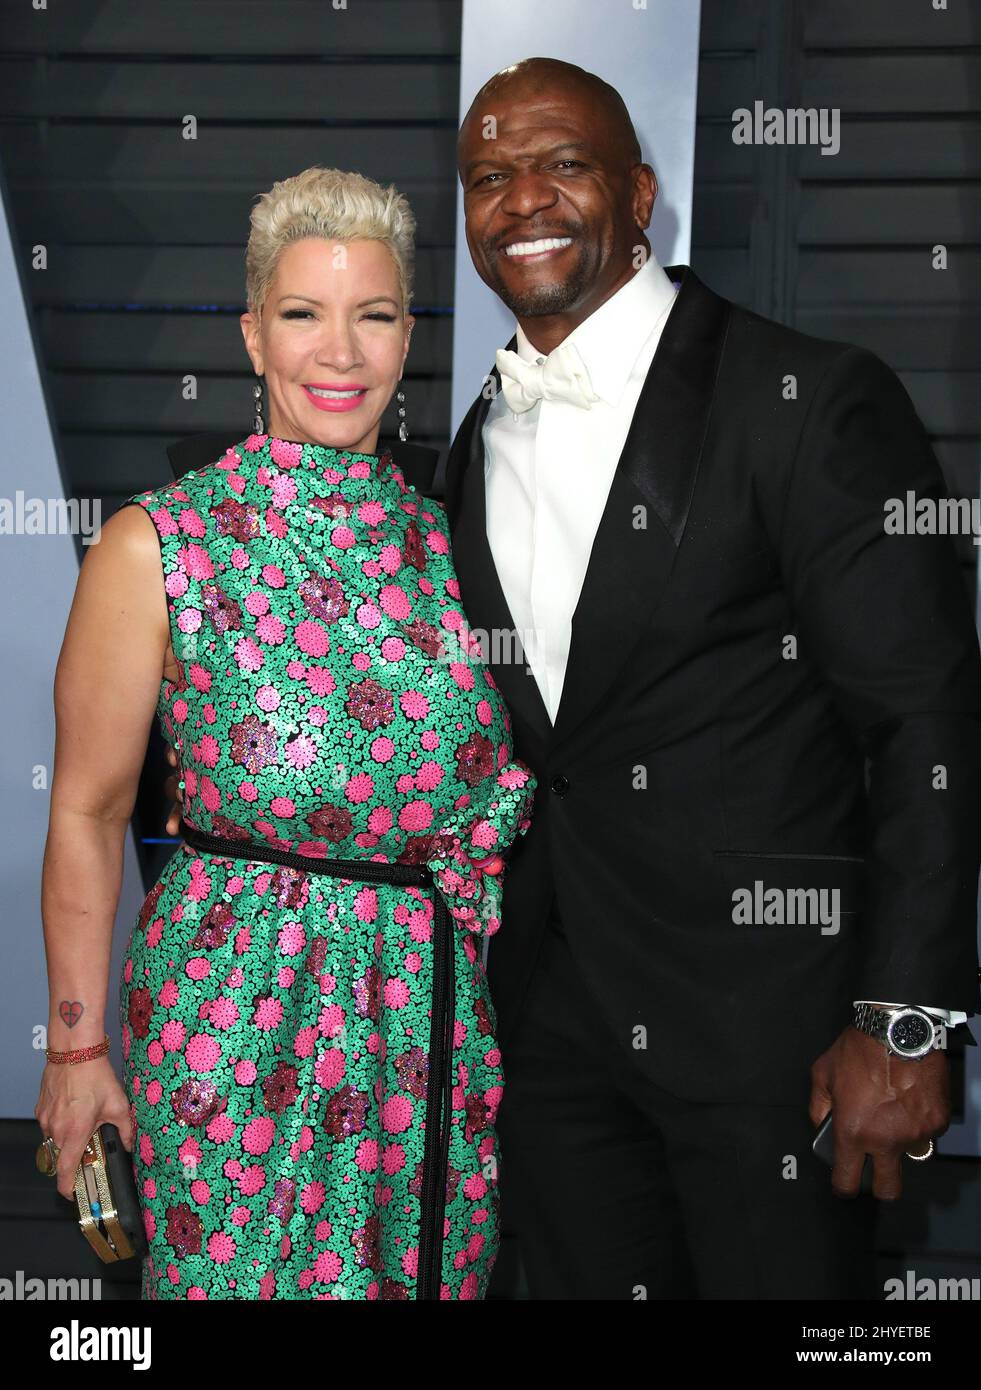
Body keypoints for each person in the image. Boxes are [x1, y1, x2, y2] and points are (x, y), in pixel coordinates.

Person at [441, 57, 979, 1299]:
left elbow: (924, 726)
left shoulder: (808, 402)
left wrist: (904, 1020)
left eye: (562, 164)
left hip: (776, 1043)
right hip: (551, 1039)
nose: (523, 198)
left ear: (640, 194)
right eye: (489, 176)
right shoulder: (474, 433)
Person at [35, 165, 535, 1301]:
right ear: (254, 335)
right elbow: (88, 808)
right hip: (233, 1019)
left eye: (374, 316)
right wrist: (73, 1048)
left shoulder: (463, 544)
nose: (341, 353)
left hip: (427, 1025)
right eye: (305, 315)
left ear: (410, 337)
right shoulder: (158, 547)